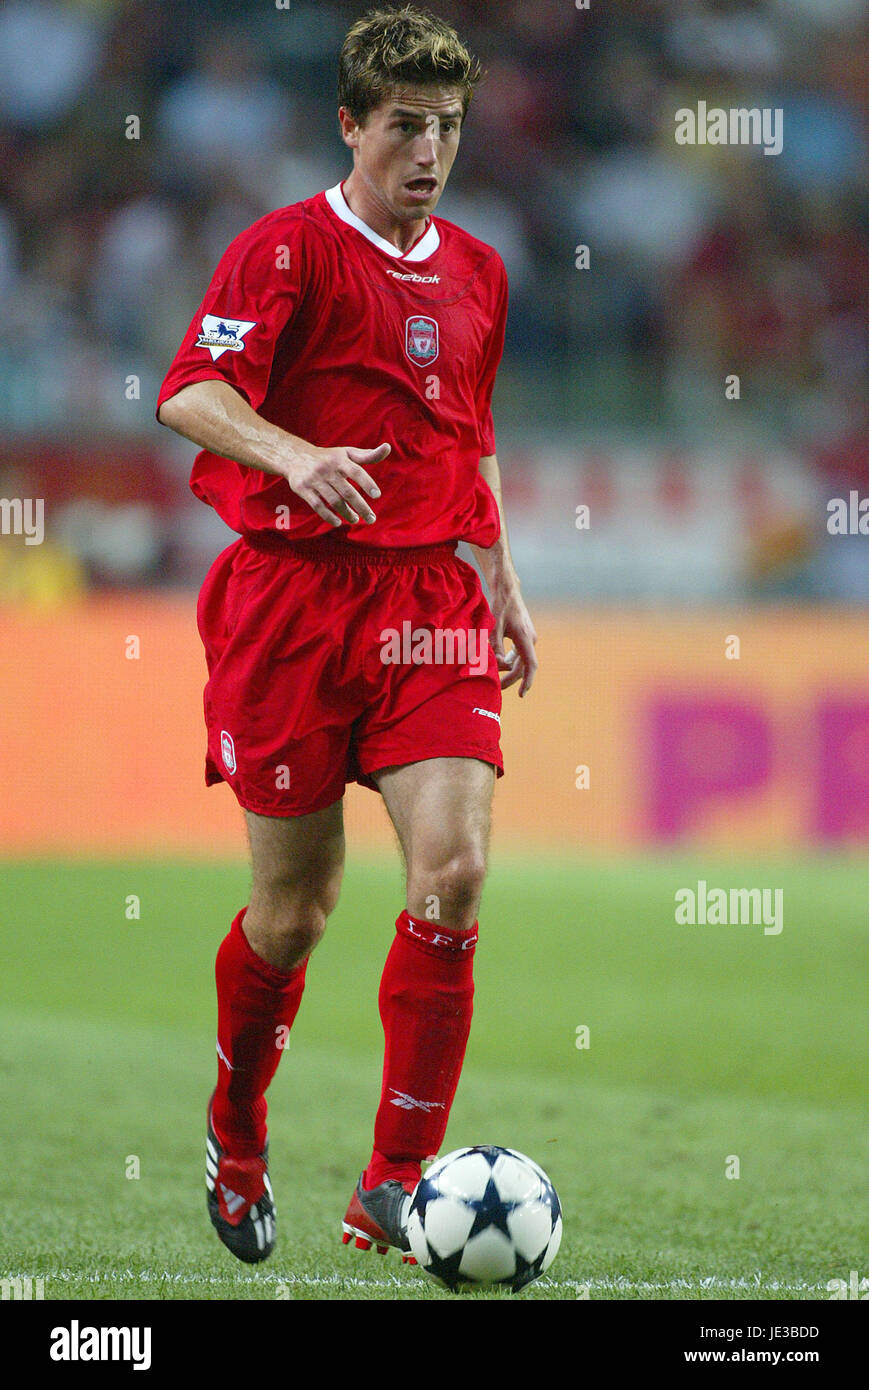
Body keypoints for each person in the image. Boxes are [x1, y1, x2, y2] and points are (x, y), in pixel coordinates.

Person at [156, 4, 537, 1266]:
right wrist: (293, 453)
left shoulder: (480, 270)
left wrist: (500, 572)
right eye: (405, 127)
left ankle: (394, 1179)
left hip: (430, 603)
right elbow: (190, 391)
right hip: (292, 603)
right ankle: (236, 1132)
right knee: (295, 912)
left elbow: (469, 430)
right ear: (349, 125)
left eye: (448, 128)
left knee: (455, 871)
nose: (429, 152)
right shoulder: (282, 251)